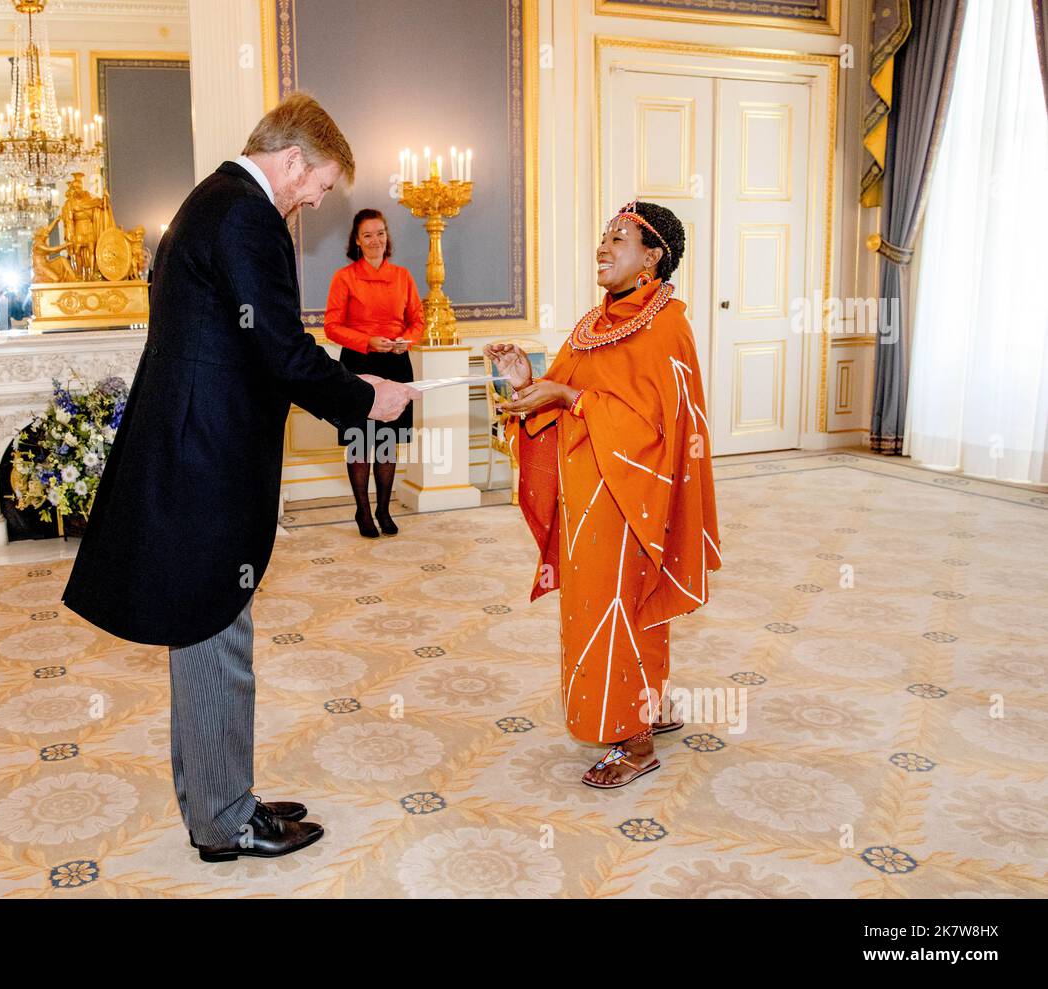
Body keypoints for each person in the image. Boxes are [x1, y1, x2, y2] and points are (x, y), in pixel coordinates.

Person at [61, 93, 418, 861]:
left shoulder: (211, 201)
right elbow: (281, 353)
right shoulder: (247, 218)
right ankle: (227, 820)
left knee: (201, 632)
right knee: (217, 632)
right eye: (320, 183)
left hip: (192, 449)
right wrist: (368, 396)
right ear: (292, 160)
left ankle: (217, 800)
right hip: (207, 462)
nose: (319, 200)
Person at [485, 200, 721, 790]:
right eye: (604, 236)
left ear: (653, 257)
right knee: (597, 605)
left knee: (624, 604)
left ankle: (635, 744)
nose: (604, 246)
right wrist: (524, 381)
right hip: (586, 492)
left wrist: (568, 399)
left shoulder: (666, 325)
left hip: (633, 495)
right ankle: (650, 706)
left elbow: (659, 429)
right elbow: (561, 389)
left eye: (620, 238)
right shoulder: (596, 322)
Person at [324, 209, 424, 537]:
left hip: (395, 364)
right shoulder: (344, 277)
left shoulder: (403, 276)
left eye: (380, 233)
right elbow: (332, 327)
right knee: (359, 442)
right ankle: (363, 511)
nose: (375, 240)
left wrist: (404, 341)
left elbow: (417, 322)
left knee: (387, 442)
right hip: (358, 365)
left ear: (387, 236)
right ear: (357, 240)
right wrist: (368, 341)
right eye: (367, 235)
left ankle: (383, 509)